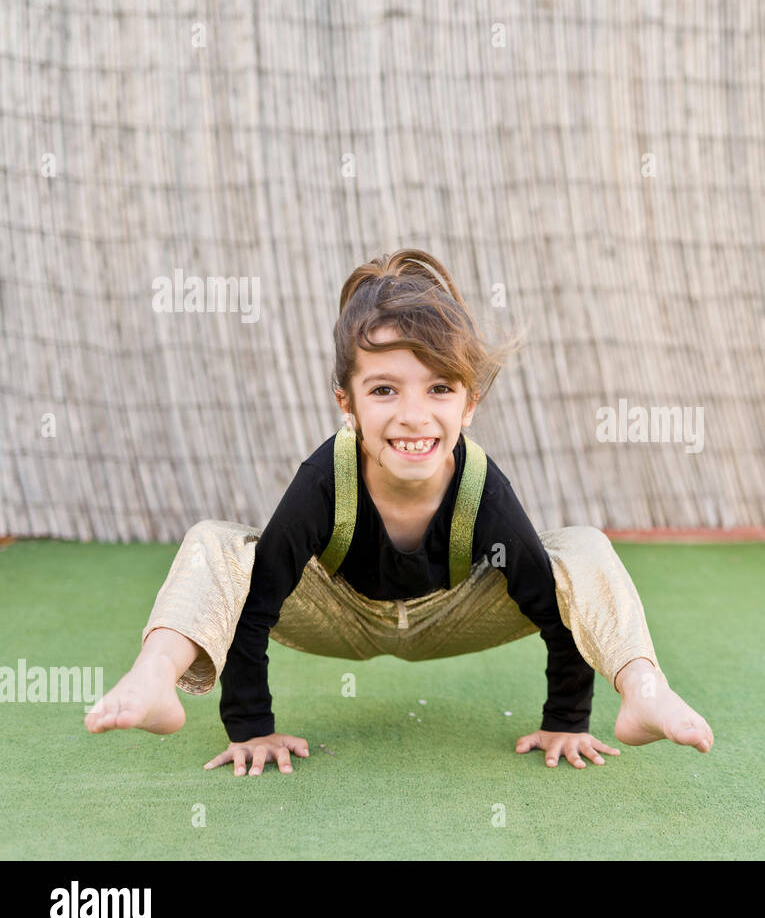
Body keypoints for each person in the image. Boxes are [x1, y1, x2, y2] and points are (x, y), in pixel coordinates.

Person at [85, 248, 714, 775]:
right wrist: (251, 728)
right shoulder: (324, 480)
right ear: (348, 404)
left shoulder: (481, 488)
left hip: (456, 615)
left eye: (439, 388)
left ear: (469, 403)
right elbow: (258, 603)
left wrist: (566, 723)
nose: (413, 414)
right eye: (384, 389)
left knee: (579, 547)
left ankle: (643, 690)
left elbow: (554, 609)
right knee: (218, 541)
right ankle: (154, 677)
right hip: (335, 615)